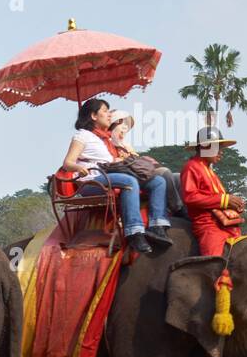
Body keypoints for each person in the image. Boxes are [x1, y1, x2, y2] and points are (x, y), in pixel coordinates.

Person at [61, 98, 172, 254]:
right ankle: (134, 232)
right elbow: (68, 162)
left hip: (111, 175)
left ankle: (157, 225)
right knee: (129, 181)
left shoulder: (104, 139)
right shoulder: (82, 136)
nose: (109, 115)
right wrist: (79, 168)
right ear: (93, 116)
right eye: (105, 111)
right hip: (92, 182)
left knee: (158, 181)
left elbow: (109, 161)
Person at [181, 126, 245, 258]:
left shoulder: (209, 170)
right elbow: (190, 197)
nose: (221, 152)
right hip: (208, 225)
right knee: (214, 264)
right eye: (217, 147)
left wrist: (233, 205)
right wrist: (225, 200)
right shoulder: (191, 167)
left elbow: (217, 199)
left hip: (225, 224)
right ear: (205, 146)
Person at [109, 108, 184, 214]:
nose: (125, 127)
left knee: (177, 177)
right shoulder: (108, 143)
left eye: (127, 125)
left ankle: (184, 207)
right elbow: (111, 163)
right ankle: (176, 208)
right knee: (164, 172)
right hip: (130, 174)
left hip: (139, 171)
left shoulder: (125, 144)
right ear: (112, 126)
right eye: (121, 124)